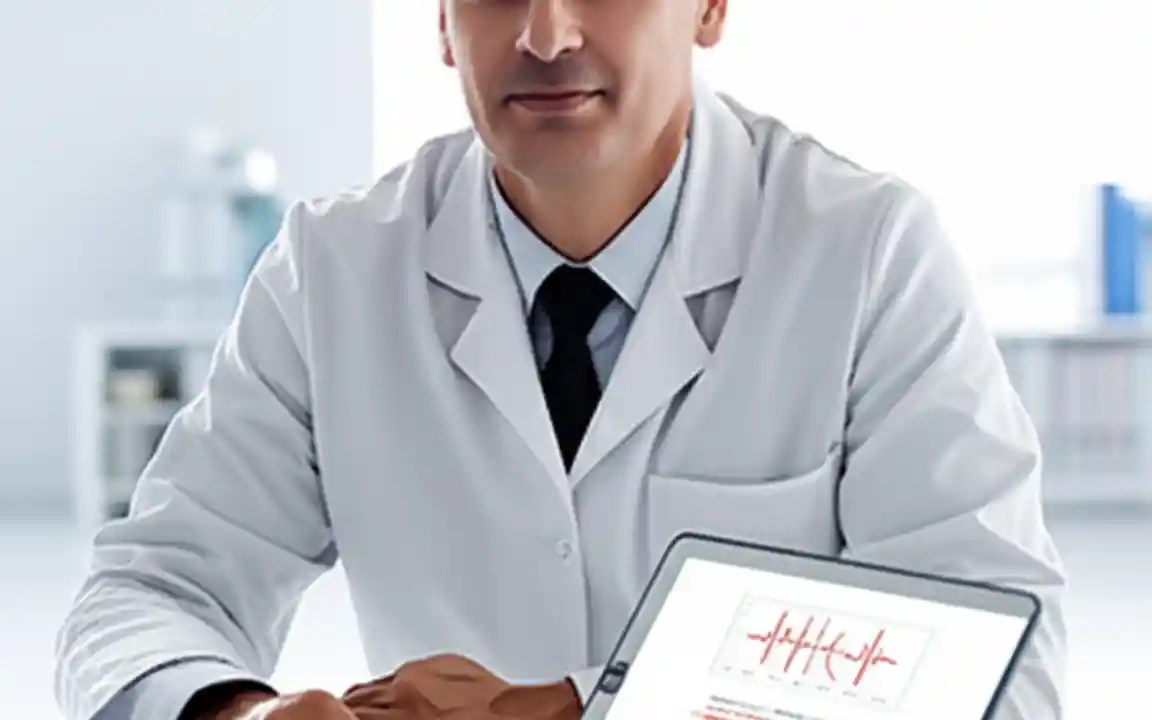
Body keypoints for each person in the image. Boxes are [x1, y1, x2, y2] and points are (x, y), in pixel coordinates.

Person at [55, 1, 1067, 718]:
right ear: (440, 23)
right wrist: (242, 715)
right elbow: (150, 594)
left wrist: (576, 707)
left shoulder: (864, 250)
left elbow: (994, 660)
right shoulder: (333, 267)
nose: (545, 32)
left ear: (710, 6)